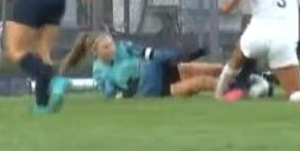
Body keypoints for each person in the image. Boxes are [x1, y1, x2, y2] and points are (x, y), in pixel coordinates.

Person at [60, 32, 230, 99]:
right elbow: (110, 94)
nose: (112, 48)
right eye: (106, 47)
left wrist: (189, 55)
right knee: (202, 82)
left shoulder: (124, 47)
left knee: (213, 68)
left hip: (163, 69)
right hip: (161, 89)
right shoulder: (99, 71)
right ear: (94, 52)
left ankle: (243, 76)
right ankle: (237, 91)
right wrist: (123, 94)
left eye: (111, 43)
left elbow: (153, 54)